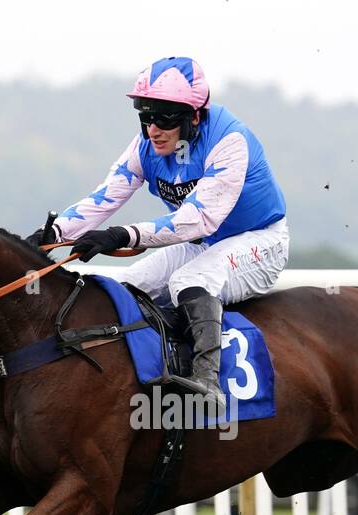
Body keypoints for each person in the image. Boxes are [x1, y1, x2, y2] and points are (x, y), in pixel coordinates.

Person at [26, 56, 290, 413]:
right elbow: (105, 198)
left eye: (166, 117)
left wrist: (122, 235)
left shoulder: (230, 141)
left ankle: (207, 379)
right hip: (204, 245)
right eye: (146, 115)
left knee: (189, 280)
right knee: (125, 288)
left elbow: (197, 220)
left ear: (195, 116)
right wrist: (52, 234)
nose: (153, 129)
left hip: (260, 241)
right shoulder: (145, 146)